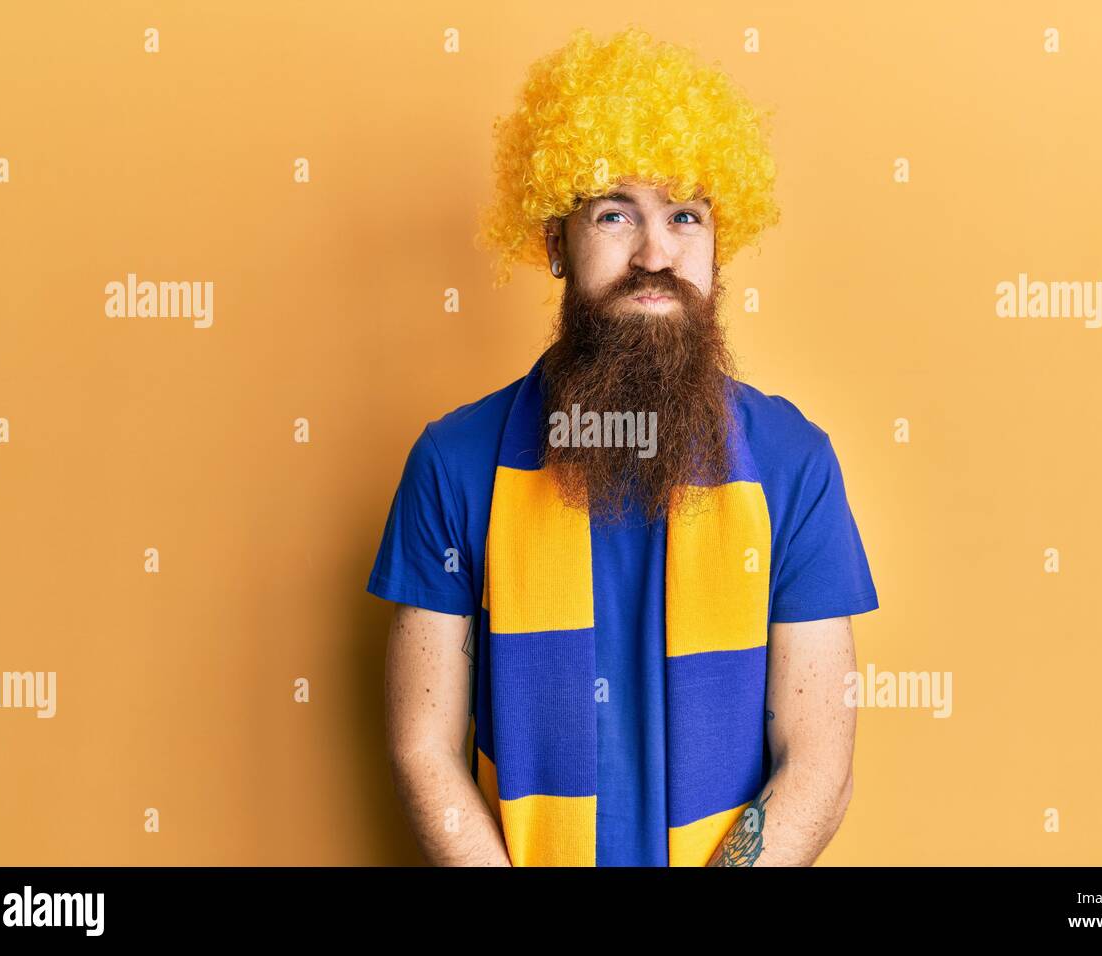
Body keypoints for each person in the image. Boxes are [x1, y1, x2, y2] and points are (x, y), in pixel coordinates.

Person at [367, 25, 879, 866]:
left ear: (720, 243)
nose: (656, 253)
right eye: (615, 214)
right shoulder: (453, 465)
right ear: (553, 244)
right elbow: (423, 748)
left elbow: (817, 765)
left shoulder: (795, 464)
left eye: (685, 215)